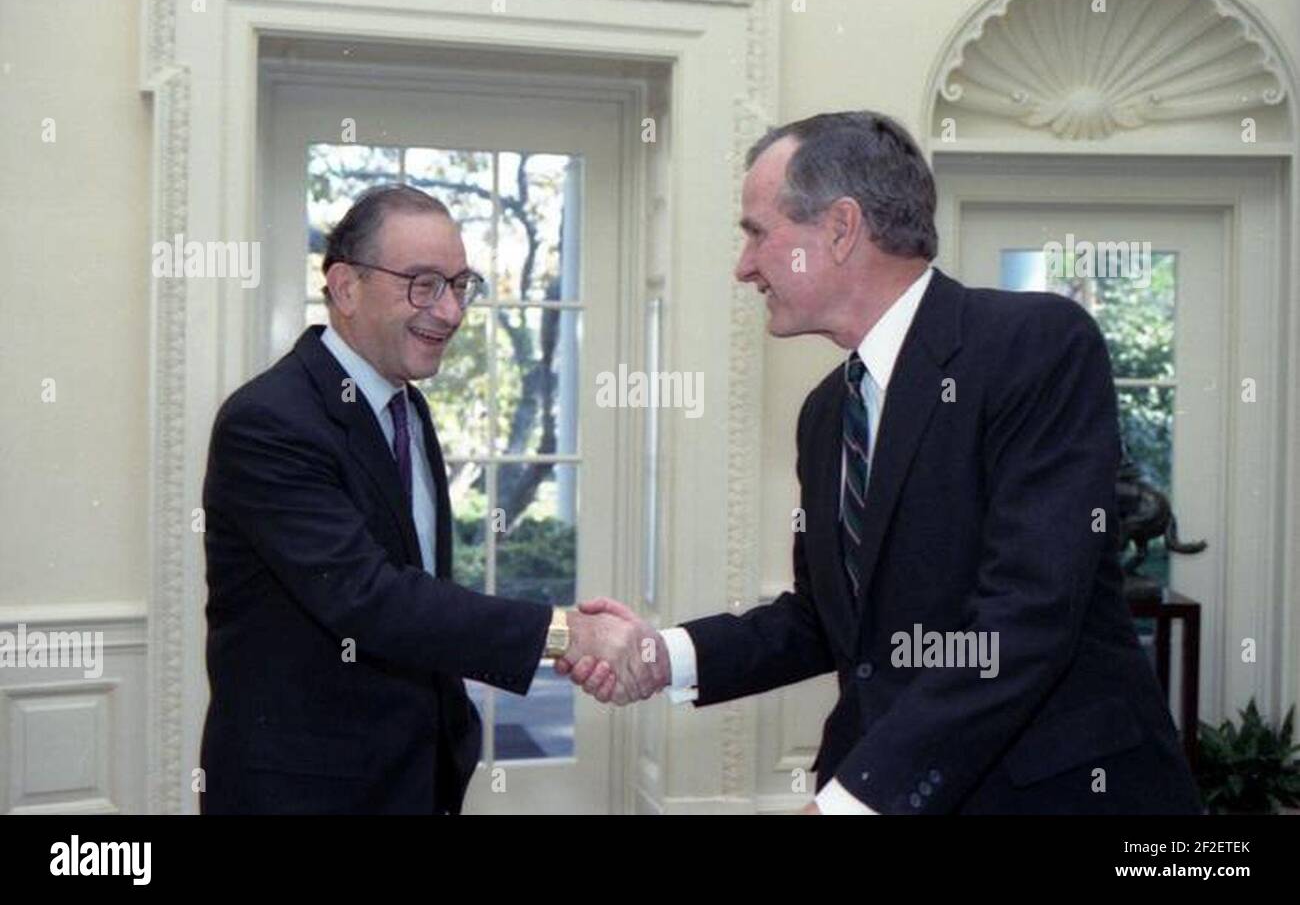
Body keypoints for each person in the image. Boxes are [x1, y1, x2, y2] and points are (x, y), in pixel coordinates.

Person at [563, 111, 1203, 815]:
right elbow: (822, 620)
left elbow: (1023, 621)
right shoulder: (826, 414)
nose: (744, 265)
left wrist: (849, 806)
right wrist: (666, 655)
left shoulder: (1035, 346)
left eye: (757, 232)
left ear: (839, 228)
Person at [199, 184, 659, 814]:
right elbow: (369, 596)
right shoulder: (270, 420)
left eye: (459, 284)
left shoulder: (406, 407)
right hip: (307, 791)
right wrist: (564, 634)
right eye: (422, 284)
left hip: (413, 779)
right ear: (344, 286)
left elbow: (418, 588)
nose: (450, 312)